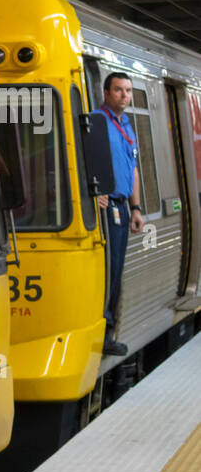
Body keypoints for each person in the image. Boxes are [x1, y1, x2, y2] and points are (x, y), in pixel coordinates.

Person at [95, 72, 145, 356]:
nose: (124, 96)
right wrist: (95, 190)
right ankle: (103, 334)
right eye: (118, 90)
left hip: (122, 208)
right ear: (106, 92)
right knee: (109, 271)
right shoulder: (96, 122)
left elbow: (133, 169)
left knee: (116, 272)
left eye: (128, 91)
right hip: (106, 208)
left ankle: (109, 332)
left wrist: (135, 207)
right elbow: (82, 159)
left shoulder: (126, 125)